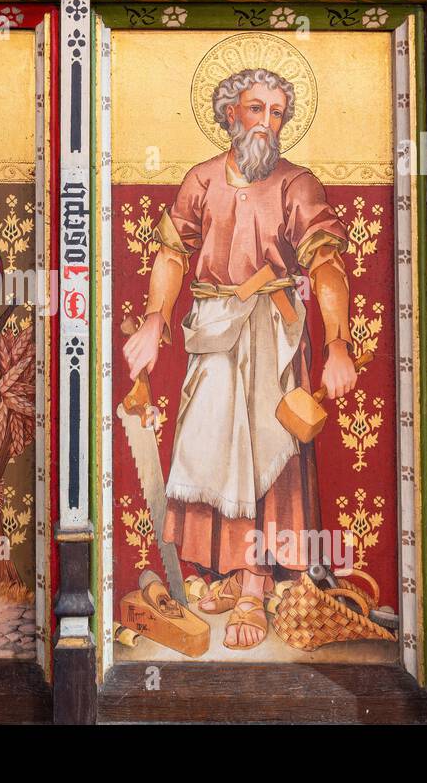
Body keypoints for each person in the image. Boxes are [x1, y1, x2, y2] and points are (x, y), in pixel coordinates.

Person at [122, 67, 356, 650]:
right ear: (231, 114)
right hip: (212, 329)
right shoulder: (200, 180)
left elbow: (326, 265)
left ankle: (256, 581)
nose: (267, 123)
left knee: (264, 455)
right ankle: (227, 572)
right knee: (210, 451)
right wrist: (154, 318)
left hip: (272, 333)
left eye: (277, 113)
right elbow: (172, 253)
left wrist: (338, 343)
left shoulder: (297, 184)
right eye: (256, 109)